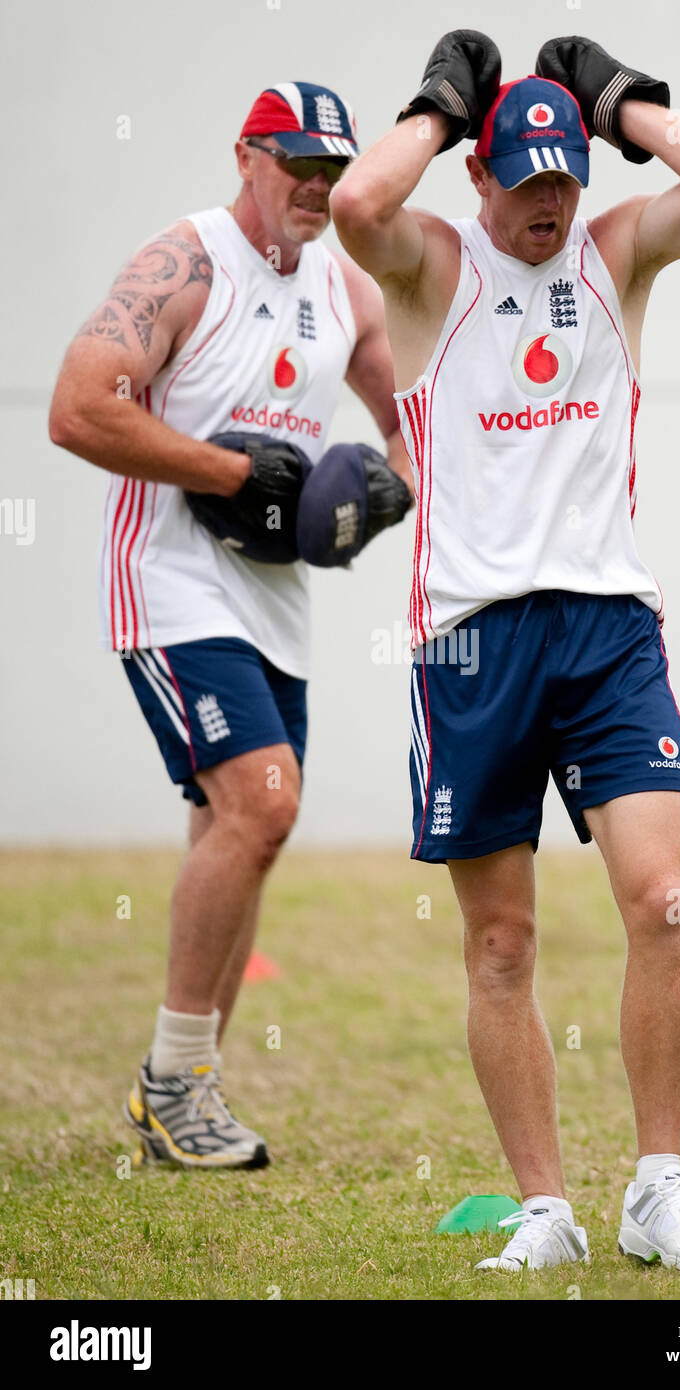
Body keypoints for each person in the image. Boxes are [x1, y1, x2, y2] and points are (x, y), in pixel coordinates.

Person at [331, 31, 680, 1270]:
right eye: (519, 179)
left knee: (664, 903)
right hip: (470, 642)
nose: (543, 203)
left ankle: (658, 1187)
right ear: (476, 176)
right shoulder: (430, 266)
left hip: (607, 628)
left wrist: (624, 103)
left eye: (561, 175)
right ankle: (544, 1209)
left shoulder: (613, 250)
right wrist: (433, 106)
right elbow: (361, 199)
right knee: (502, 942)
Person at [49, 80, 412, 1169]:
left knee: (245, 830)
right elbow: (79, 408)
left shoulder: (346, 290)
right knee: (262, 805)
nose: (316, 182)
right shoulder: (186, 262)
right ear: (248, 155)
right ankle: (170, 1078)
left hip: (274, 596)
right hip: (170, 578)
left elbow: (418, 428)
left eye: (332, 166)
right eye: (295, 158)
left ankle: (190, 1092)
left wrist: (383, 492)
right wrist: (229, 472)